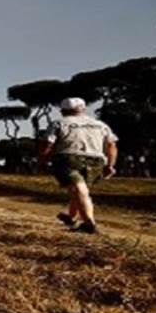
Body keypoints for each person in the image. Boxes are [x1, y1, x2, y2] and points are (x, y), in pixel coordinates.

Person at [37, 97, 118, 234]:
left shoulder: (59, 123)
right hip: (96, 159)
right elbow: (111, 145)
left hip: (68, 158)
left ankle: (88, 223)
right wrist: (110, 165)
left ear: (63, 111)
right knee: (80, 190)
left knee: (79, 189)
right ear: (84, 109)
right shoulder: (100, 125)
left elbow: (47, 144)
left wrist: (42, 161)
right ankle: (72, 217)